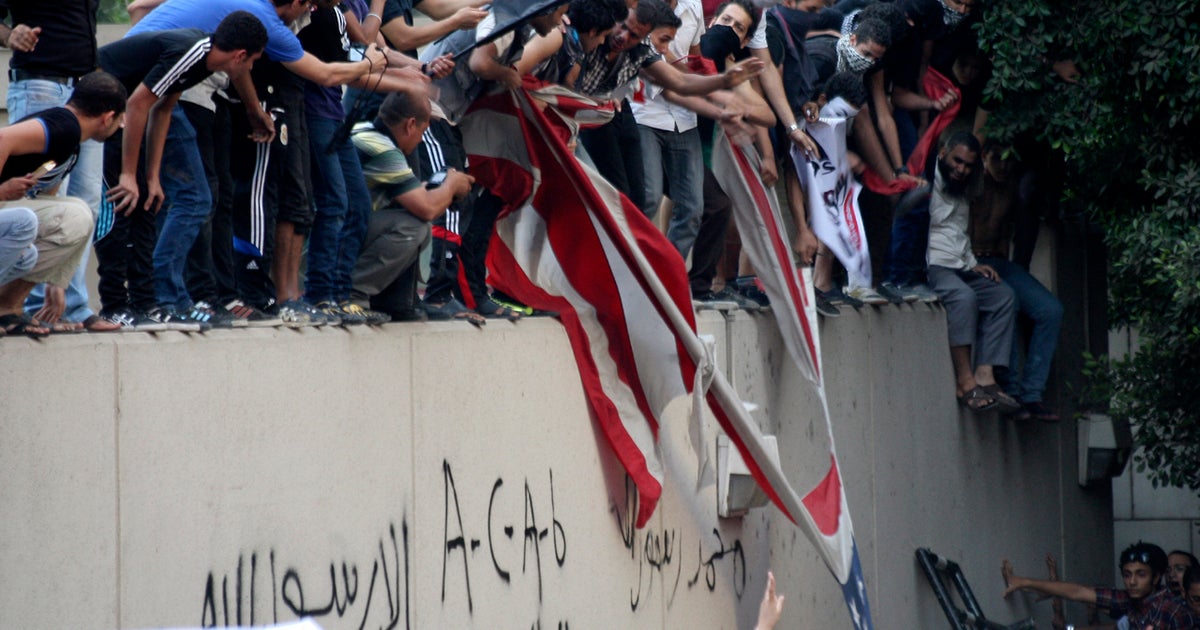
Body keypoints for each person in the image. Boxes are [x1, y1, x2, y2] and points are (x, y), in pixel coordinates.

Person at [94, 11, 269, 331]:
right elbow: (137, 104)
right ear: (240, 55)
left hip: (130, 117)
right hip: (103, 111)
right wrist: (129, 174)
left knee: (147, 204)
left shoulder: (202, 62)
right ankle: (115, 304)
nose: (250, 70)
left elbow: (163, 109)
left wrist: (152, 176)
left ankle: (149, 301)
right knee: (119, 207)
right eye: (252, 62)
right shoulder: (193, 50)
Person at [0, 0, 118, 331]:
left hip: (86, 91)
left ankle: (71, 306)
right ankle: (25, 305)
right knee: (40, 202)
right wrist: (10, 35)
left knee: (84, 204)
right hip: (42, 84)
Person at [348, 87, 475, 320]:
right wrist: (452, 185)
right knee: (414, 227)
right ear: (410, 125)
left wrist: (433, 188)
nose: (419, 141)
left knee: (412, 219)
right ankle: (352, 294)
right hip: (338, 239)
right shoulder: (382, 149)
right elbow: (426, 209)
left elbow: (414, 196)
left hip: (342, 234)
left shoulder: (366, 131)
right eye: (422, 132)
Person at [923, 131, 1019, 414]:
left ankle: (984, 375)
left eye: (967, 165)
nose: (961, 169)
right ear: (942, 153)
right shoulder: (928, 181)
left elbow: (960, 230)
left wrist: (971, 261)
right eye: (957, 161)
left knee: (1003, 295)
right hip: (933, 263)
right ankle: (965, 383)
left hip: (959, 264)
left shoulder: (964, 186)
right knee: (964, 298)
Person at [971, 141, 1063, 421]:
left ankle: (1032, 394)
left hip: (1002, 262)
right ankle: (1009, 389)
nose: (1002, 165)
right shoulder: (970, 184)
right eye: (996, 158)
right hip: (970, 262)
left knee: (1051, 310)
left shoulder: (1013, 186)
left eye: (1008, 159)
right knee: (1006, 298)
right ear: (983, 156)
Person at [1003, 542, 1197, 630]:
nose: (1132, 582)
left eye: (1141, 575)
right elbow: (1079, 592)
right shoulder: (1132, 600)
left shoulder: (1171, 610)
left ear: (1156, 578)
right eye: (1127, 575)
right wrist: (1023, 582)